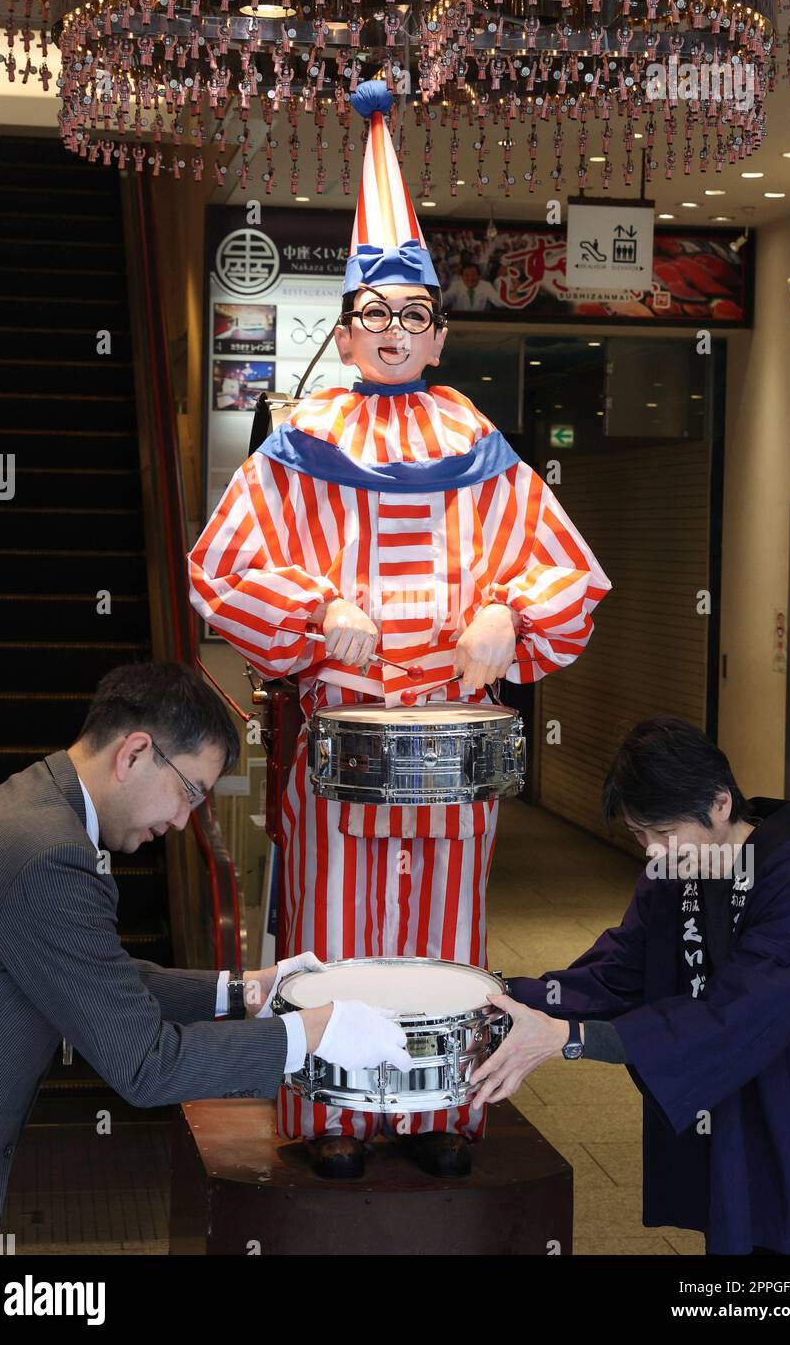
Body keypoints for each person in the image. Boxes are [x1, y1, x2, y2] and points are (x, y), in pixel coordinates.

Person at [188, 80, 611, 1179]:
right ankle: (335, 1113)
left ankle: (437, 1114)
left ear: (437, 330)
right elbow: (218, 569)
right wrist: (311, 607)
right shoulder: (297, 441)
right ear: (345, 328)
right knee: (338, 932)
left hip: (455, 747)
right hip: (339, 742)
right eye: (371, 315)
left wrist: (505, 612)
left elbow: (566, 569)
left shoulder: (475, 436)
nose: (391, 331)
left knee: (446, 935)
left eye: (410, 315)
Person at [0, 660, 410, 1239]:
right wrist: (313, 1034)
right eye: (188, 792)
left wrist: (247, 990)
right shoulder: (50, 855)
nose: (178, 821)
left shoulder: (37, 805)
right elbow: (147, 1064)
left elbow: (102, 977)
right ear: (134, 753)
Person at [467, 716, 790, 1256]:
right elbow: (614, 974)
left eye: (664, 832)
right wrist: (493, 998)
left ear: (721, 803)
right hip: (728, 1106)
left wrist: (572, 1037)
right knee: (733, 1231)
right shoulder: (672, 876)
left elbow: (738, 1012)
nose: (652, 850)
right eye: (637, 833)